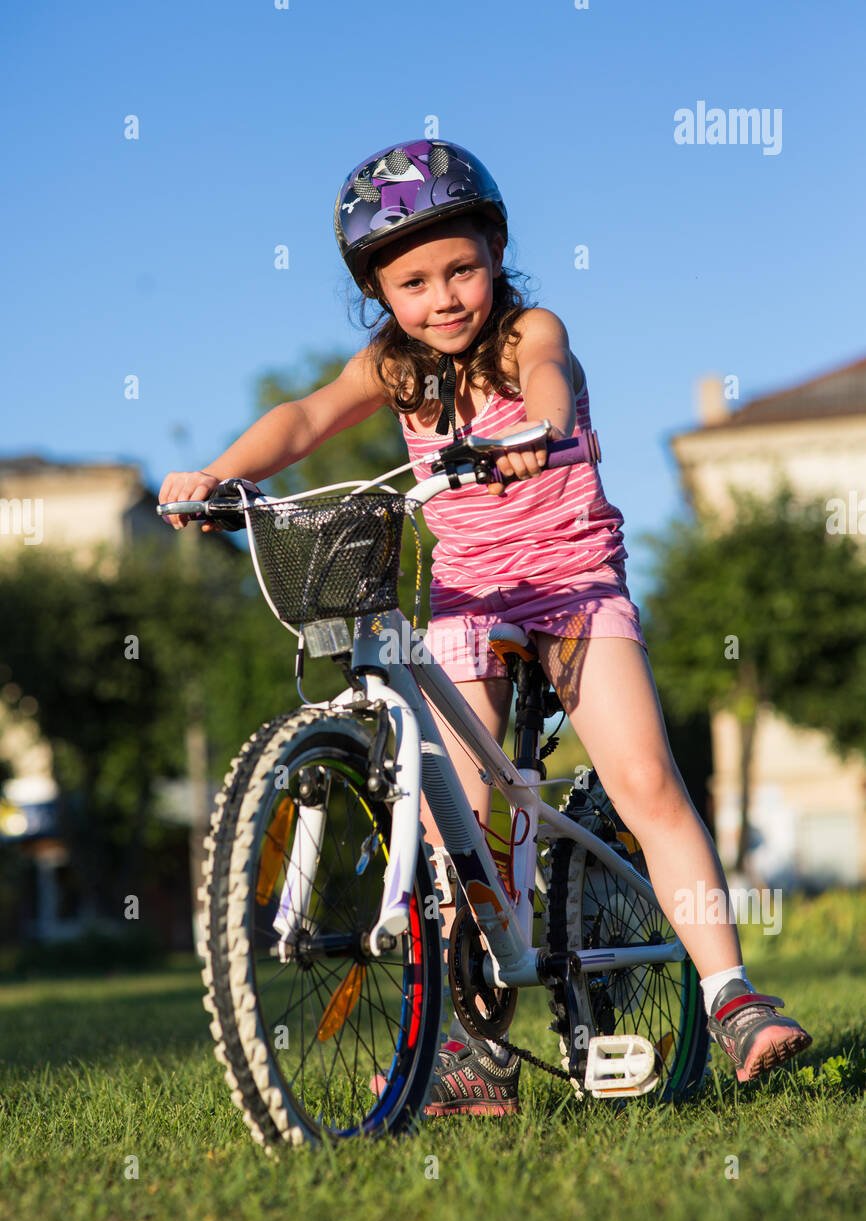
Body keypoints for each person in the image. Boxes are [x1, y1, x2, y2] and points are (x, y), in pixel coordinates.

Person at [159, 138, 812, 1116]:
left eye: (460, 267)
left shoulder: (522, 334)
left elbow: (548, 370)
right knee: (453, 815)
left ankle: (731, 996)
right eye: (412, 281)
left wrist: (537, 430)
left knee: (641, 777)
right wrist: (220, 474)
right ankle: (475, 1047)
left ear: (495, 253)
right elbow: (302, 418)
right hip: (467, 599)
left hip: (571, 591)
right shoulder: (394, 364)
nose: (444, 296)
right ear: (379, 293)